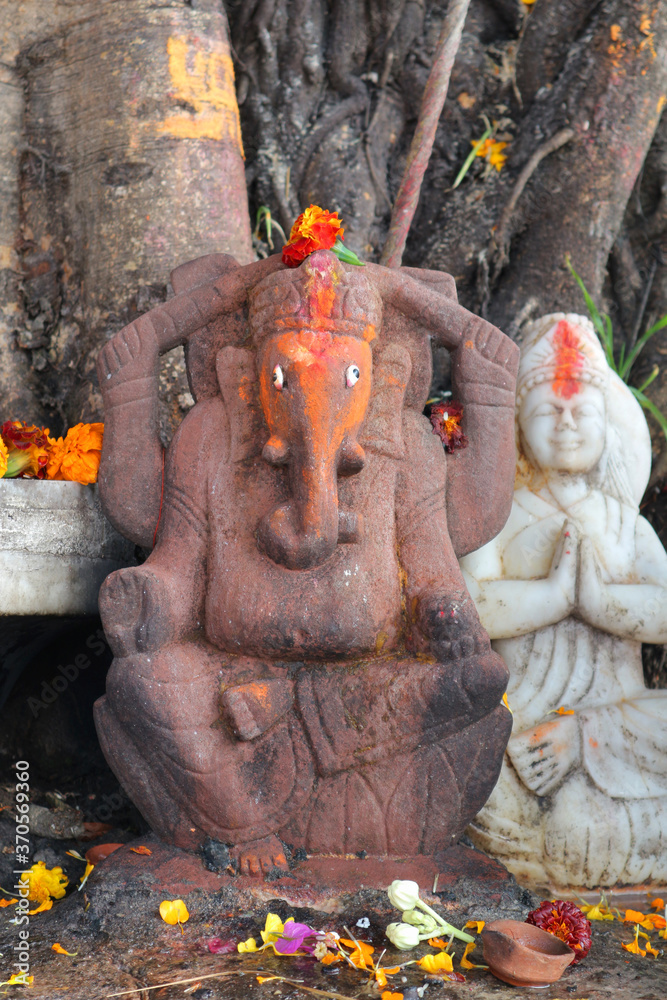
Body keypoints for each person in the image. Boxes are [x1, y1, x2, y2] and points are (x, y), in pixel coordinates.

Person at [462, 313, 667, 889]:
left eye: (584, 412)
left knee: (580, 822)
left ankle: (584, 743)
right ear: (520, 428)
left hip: (620, 720)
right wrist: (552, 597)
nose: (569, 423)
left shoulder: (627, 526)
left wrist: (601, 604)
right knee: (480, 772)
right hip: (521, 727)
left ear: (611, 426)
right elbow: (471, 606)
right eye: (550, 411)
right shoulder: (498, 517)